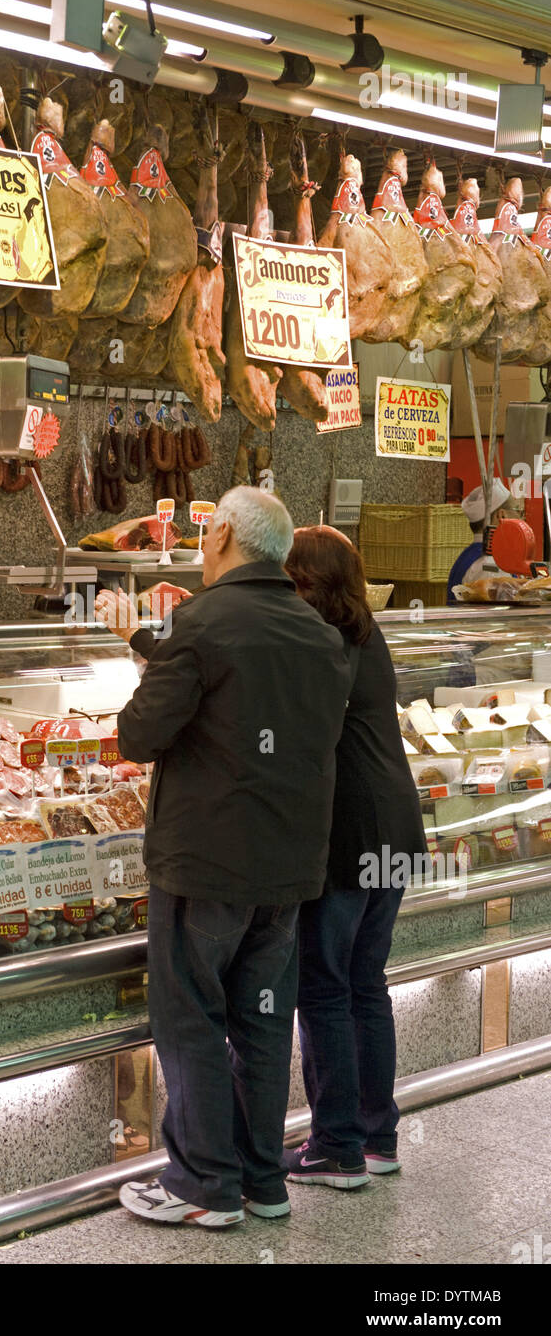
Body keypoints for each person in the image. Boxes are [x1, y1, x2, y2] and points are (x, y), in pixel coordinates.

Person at [95, 487, 353, 1227]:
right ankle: (260, 1181)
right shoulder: (316, 633)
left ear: (223, 538)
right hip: (289, 867)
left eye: (208, 533)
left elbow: (139, 737)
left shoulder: (201, 622)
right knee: (265, 1021)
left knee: (194, 1019)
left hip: (206, 861)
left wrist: (153, 666)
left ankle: (202, 1186)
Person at [283, 526, 426, 1188]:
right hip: (395, 823)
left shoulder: (315, 642)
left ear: (305, 583)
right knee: (365, 982)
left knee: (324, 985)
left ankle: (334, 1145)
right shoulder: (367, 633)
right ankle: (377, 1138)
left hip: (348, 831)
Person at [446, 478, 512, 604]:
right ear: (501, 516)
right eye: (518, 511)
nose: (522, 518)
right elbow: (494, 619)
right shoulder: (490, 564)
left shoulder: (469, 554)